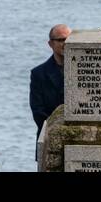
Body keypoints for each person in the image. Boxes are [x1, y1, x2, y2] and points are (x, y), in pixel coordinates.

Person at [29, 23, 69, 156]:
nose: (65, 43)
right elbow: (38, 111)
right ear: (50, 44)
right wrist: (58, 130)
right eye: (61, 40)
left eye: (68, 39)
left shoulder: (84, 71)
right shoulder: (38, 74)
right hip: (49, 140)